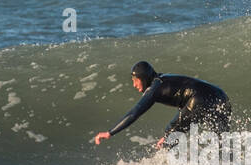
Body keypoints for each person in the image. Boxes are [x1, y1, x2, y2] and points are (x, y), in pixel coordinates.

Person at [94, 61, 230, 148]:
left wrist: (110, 133)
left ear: (144, 78)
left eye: (135, 80)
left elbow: (134, 113)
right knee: (221, 143)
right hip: (221, 97)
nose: (134, 84)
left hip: (200, 99)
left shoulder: (154, 88)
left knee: (169, 136)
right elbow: (186, 101)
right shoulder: (164, 79)